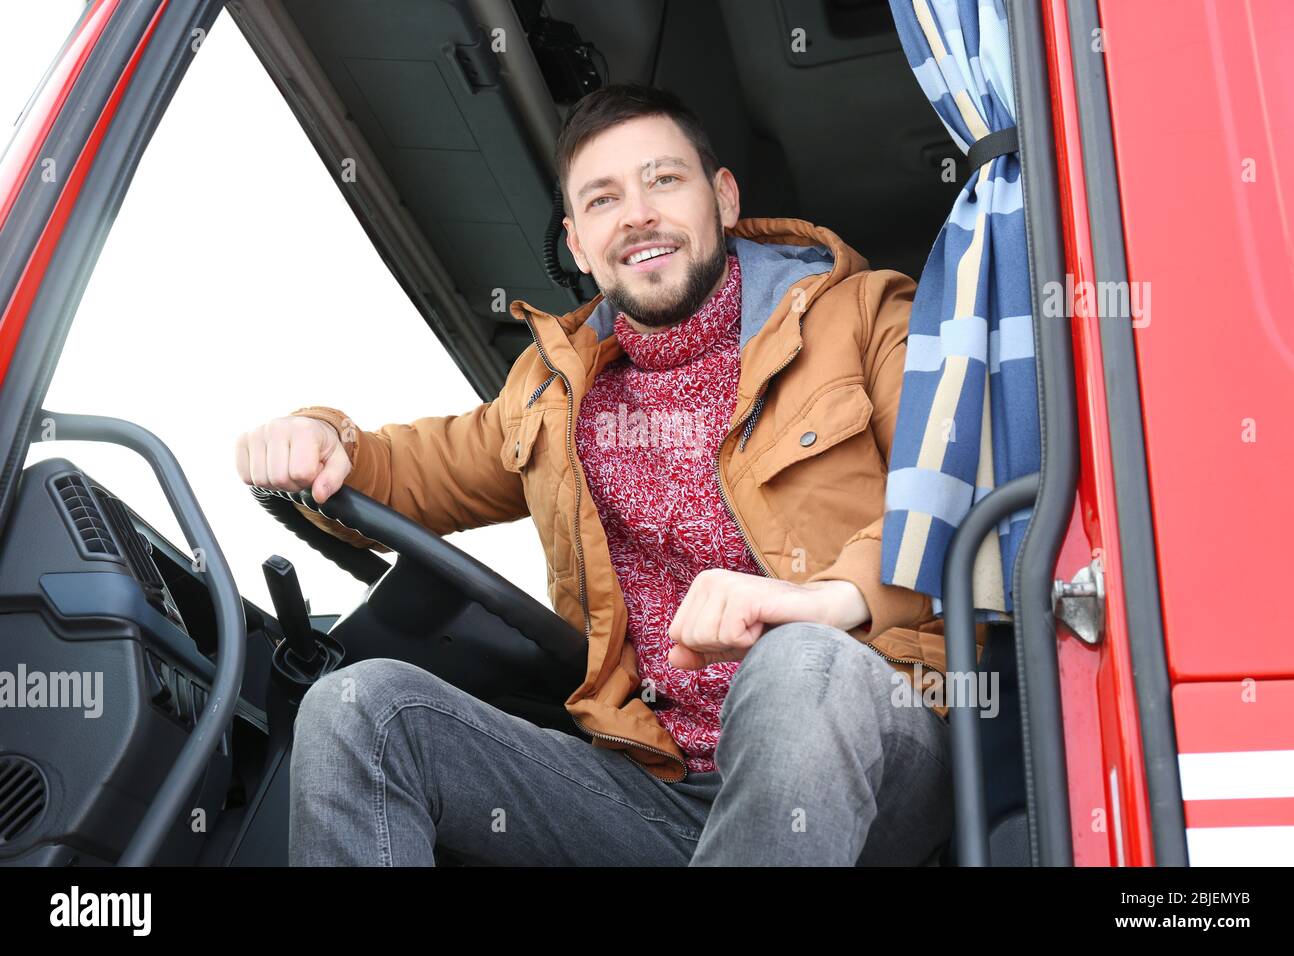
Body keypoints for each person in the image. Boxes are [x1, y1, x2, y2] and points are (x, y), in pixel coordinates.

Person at [235, 83, 957, 866]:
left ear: (721, 196)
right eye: (604, 199)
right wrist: (320, 436)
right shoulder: (552, 392)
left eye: (664, 180)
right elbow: (412, 467)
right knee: (361, 708)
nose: (638, 213)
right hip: (660, 794)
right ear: (579, 244)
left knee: (800, 659)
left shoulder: (863, 315)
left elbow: (959, 492)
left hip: (875, 752)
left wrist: (820, 601)